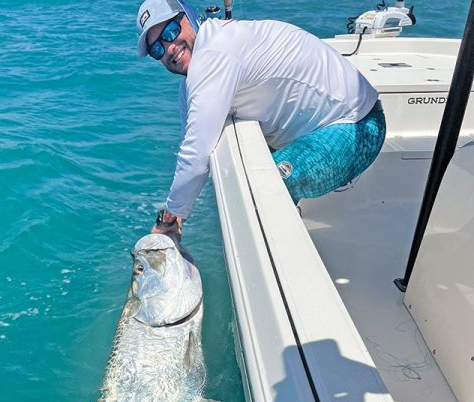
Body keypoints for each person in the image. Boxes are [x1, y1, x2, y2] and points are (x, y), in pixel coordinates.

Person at [136, 0, 386, 238]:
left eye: (170, 31)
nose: (169, 48)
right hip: (314, 129)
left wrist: (169, 219)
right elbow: (190, 143)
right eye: (157, 49)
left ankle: (289, 260)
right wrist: (175, 214)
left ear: (189, 16)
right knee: (252, 184)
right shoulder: (195, 73)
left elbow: (196, 155)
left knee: (264, 191)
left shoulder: (212, 54)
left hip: (357, 126)